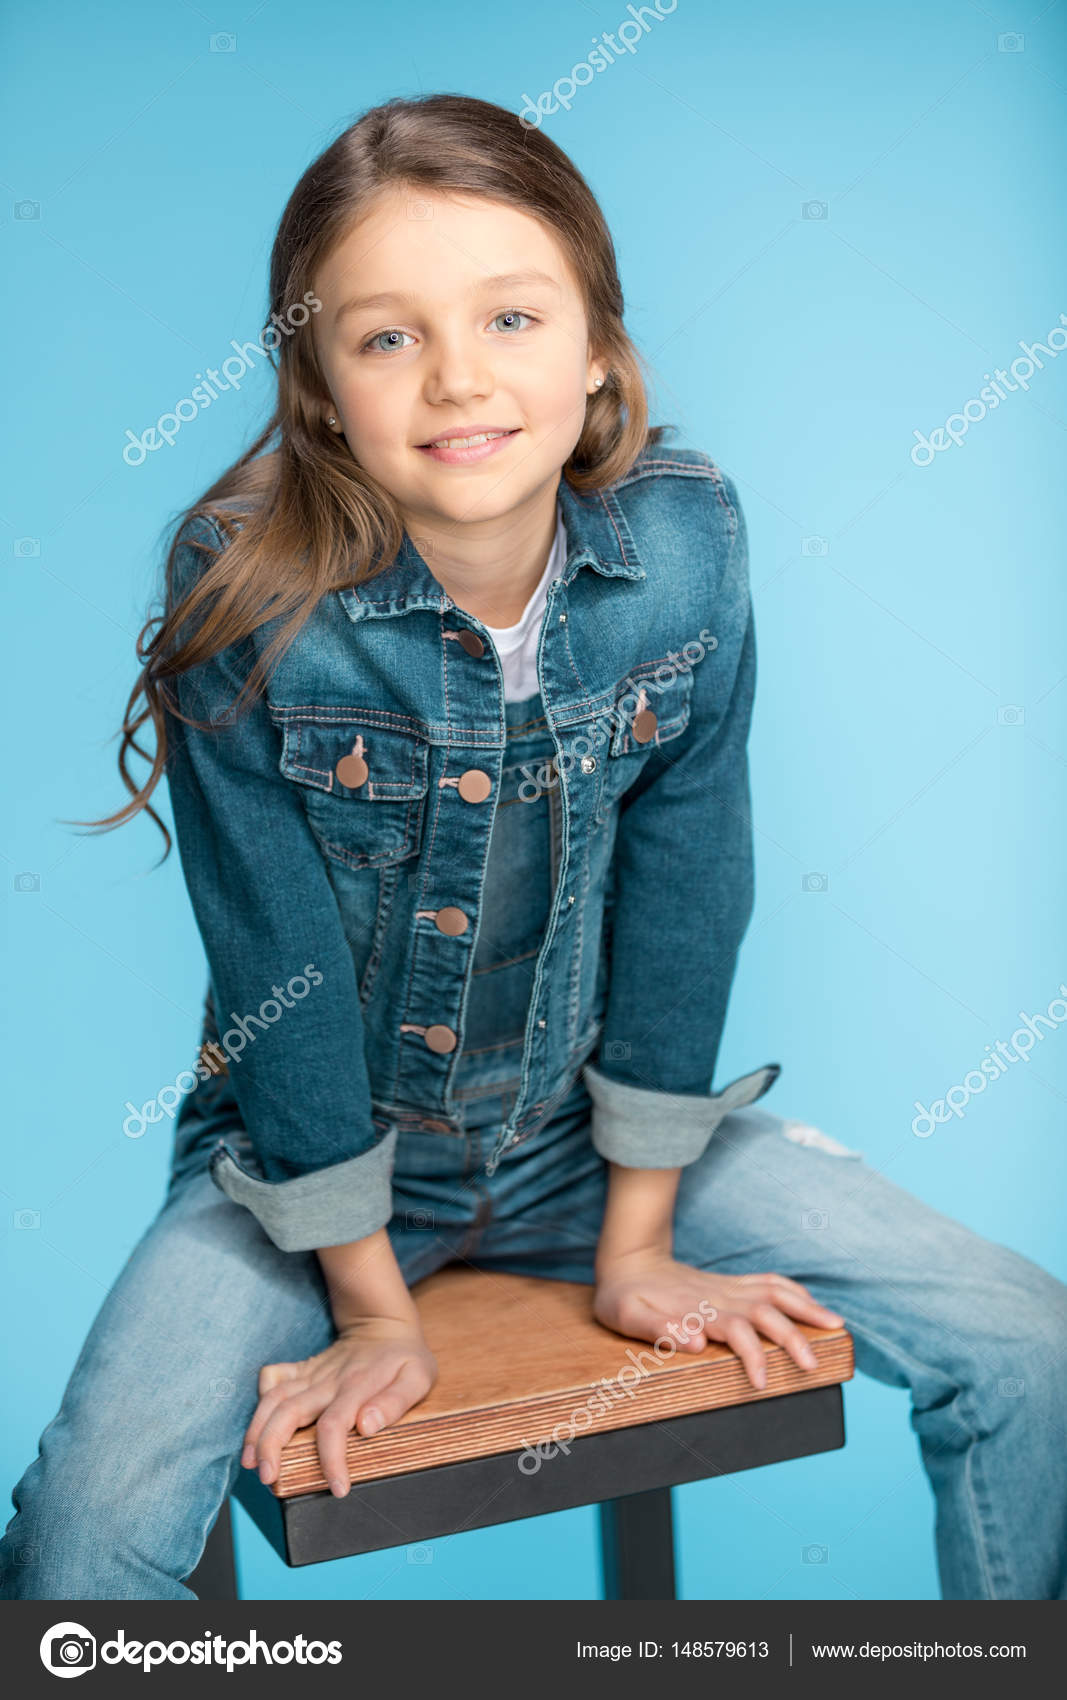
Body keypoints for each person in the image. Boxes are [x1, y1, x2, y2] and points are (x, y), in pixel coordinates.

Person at [2, 92, 1064, 1603]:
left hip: (591, 1140)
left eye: (511, 317)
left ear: (598, 350)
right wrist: (368, 1310)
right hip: (316, 1178)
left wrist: (640, 1243)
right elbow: (277, 972)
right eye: (387, 338)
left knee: (1034, 1348)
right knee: (83, 1537)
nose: (457, 380)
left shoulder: (686, 549)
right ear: (320, 388)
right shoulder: (245, 588)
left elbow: (692, 890)